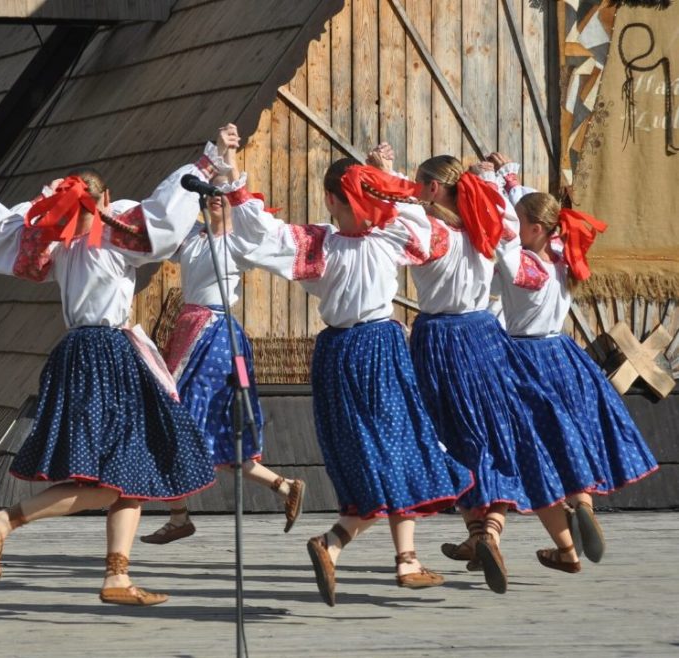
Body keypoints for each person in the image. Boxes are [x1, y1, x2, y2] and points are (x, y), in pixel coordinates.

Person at [0, 127, 237, 606]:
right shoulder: (111, 232)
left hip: (79, 351)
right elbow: (160, 216)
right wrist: (207, 162)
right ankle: (8, 520)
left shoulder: (60, 243)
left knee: (130, 471)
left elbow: (9, 234)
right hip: (107, 354)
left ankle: (116, 577)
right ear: (105, 199)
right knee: (109, 476)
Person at [227, 153, 474, 606]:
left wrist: (234, 183)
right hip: (377, 350)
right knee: (400, 450)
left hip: (338, 353)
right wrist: (386, 178)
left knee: (380, 455)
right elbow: (428, 224)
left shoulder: (318, 244)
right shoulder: (389, 235)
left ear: (328, 200)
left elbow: (260, 233)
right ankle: (362, 549)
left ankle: (393, 556)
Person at [375, 147, 579, 595]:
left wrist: (381, 174)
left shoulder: (427, 228)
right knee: (497, 431)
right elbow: (513, 218)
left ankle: (479, 531)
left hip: (440, 339)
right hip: (485, 333)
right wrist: (498, 178)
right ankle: (486, 532)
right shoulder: (492, 220)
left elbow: (383, 215)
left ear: (431, 188)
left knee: (453, 434)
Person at [495, 190, 659, 571]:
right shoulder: (562, 253)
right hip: (564, 355)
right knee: (569, 437)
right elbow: (533, 215)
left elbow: (498, 236)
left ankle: (564, 543)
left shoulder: (523, 266)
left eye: (519, 221)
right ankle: (584, 503)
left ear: (535, 229)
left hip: (524, 358)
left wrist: (492, 182)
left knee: (532, 451)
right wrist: (510, 181)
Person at [140, 171, 305, 545]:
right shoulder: (193, 238)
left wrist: (232, 176)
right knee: (191, 424)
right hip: (190, 331)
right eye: (209, 192)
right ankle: (283, 486)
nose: (215, 197)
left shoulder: (238, 243)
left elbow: (263, 235)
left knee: (187, 420)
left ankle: (181, 514)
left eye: (221, 193)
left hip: (216, 336)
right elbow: (167, 217)